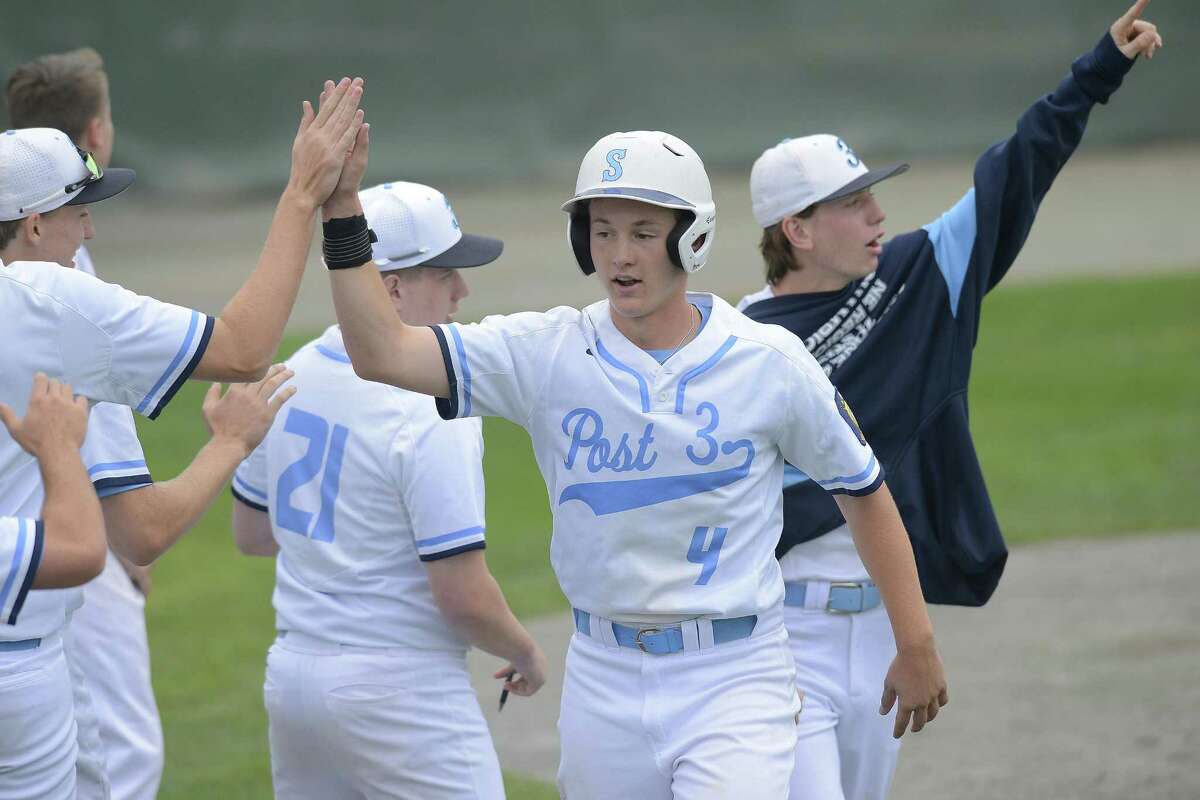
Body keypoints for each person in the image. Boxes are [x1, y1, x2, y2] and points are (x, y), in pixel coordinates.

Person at [320, 124, 948, 797]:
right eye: (603, 230)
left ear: (693, 238)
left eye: (644, 233)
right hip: (602, 677)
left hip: (735, 675)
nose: (620, 254)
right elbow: (381, 353)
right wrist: (342, 209)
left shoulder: (768, 362)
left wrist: (915, 642)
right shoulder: (547, 352)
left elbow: (864, 492)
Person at [736, 3, 1162, 798]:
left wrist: (1096, 73)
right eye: (854, 203)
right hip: (779, 634)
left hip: (885, 627)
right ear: (796, 229)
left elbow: (1016, 171)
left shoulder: (917, 276)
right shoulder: (738, 339)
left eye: (874, 197)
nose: (878, 214)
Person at [0, 78, 363, 799]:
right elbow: (243, 347)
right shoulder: (50, 306)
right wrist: (300, 195)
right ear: (35, 225)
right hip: (18, 653)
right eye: (79, 212)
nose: (92, 232)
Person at [231, 178, 546, 799]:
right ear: (392, 288)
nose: (463, 289)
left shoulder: (290, 375)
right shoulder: (435, 401)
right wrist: (526, 652)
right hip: (402, 690)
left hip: (294, 679)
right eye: (444, 272)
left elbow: (254, 535)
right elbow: (462, 596)